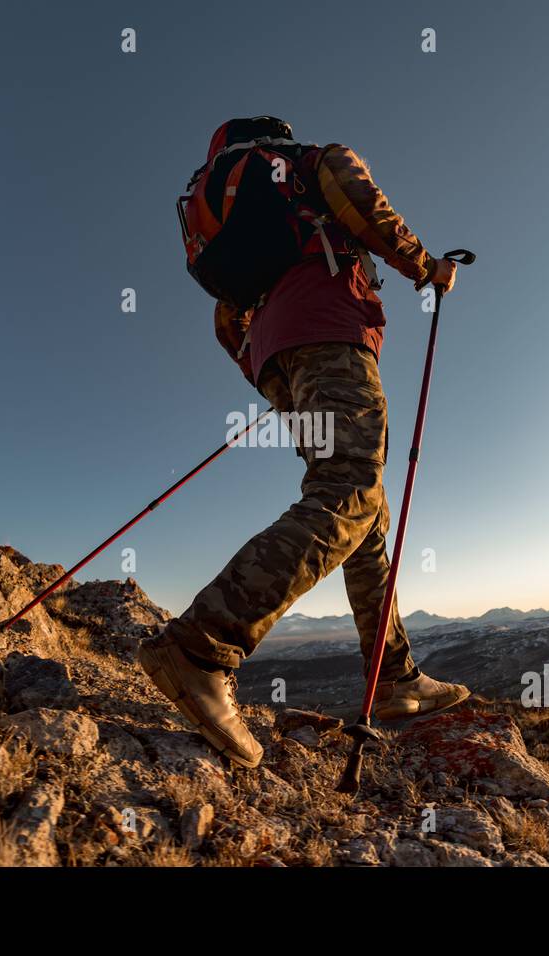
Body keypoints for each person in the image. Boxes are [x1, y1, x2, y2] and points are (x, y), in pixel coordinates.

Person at [139, 117, 470, 768]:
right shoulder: (309, 160)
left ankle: (396, 676)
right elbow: (361, 199)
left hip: (281, 358)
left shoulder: (226, 212)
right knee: (348, 493)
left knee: (364, 514)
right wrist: (424, 266)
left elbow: (224, 319)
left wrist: (272, 377)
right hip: (330, 336)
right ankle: (201, 645)